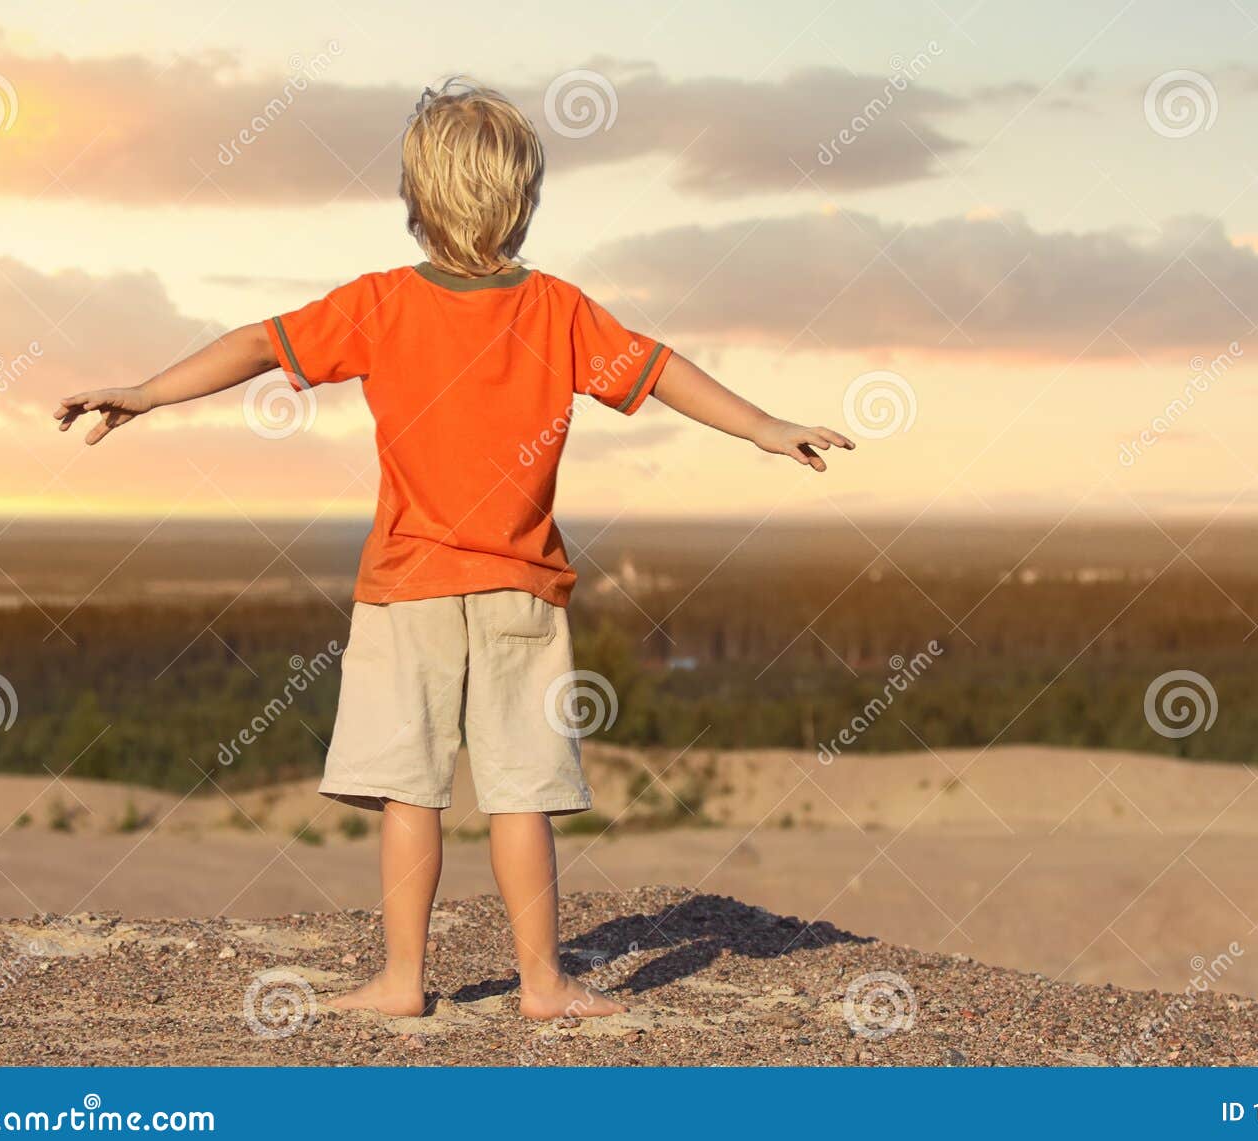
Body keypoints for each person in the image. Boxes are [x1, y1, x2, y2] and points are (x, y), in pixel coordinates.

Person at [54, 81, 853, 1019]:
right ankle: (544, 982)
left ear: (414, 196)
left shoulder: (381, 304)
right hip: (523, 589)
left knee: (410, 795)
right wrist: (761, 426)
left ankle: (402, 979)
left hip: (407, 587)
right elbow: (661, 367)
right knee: (523, 795)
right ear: (524, 198)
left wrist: (147, 394)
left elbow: (258, 346)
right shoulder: (559, 309)